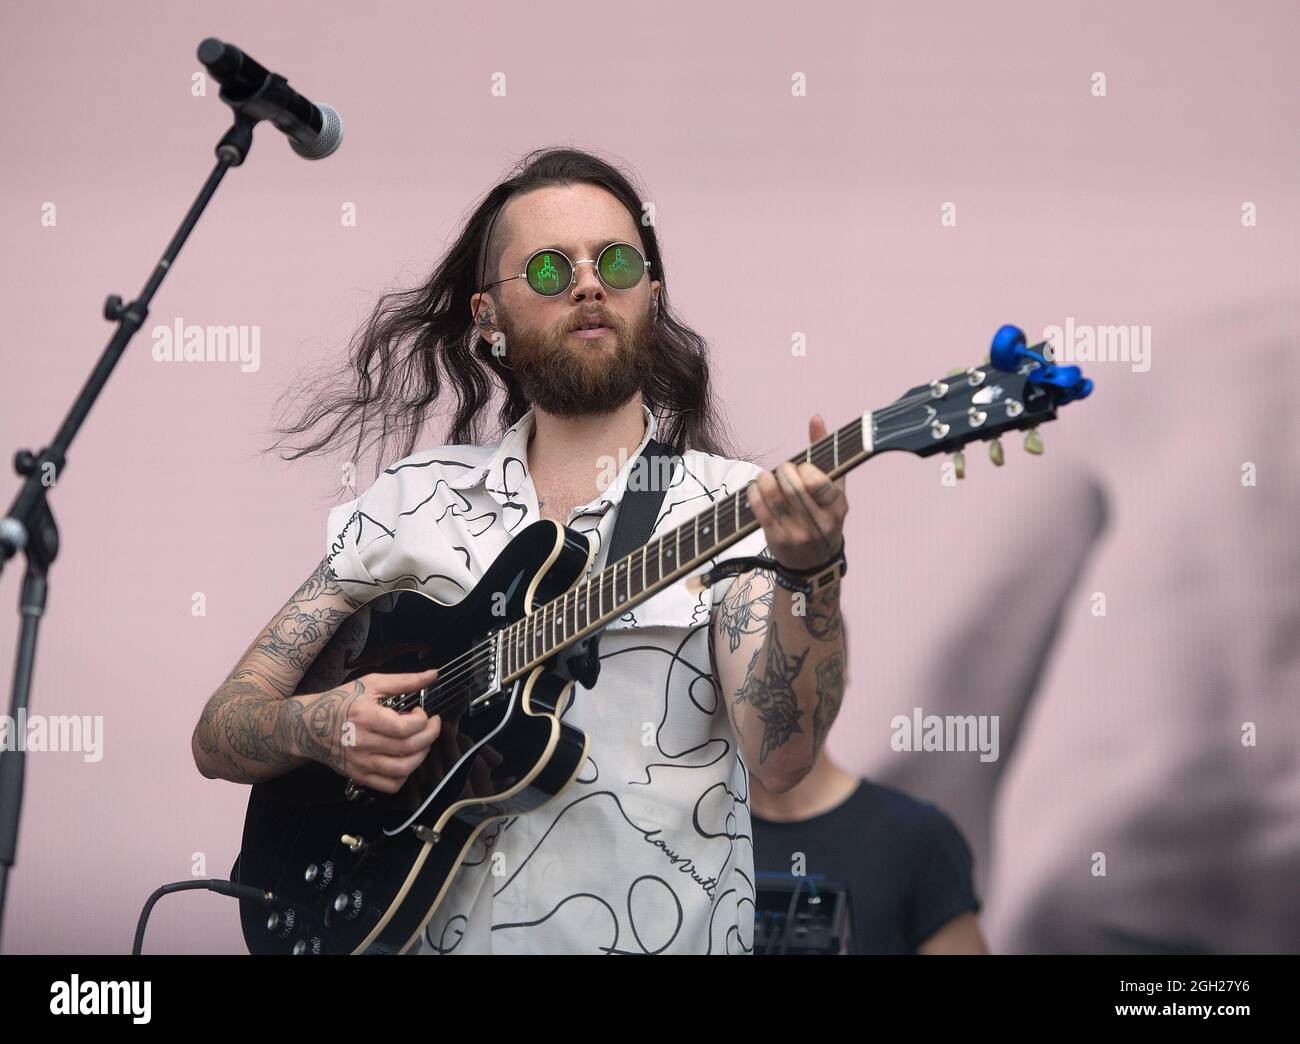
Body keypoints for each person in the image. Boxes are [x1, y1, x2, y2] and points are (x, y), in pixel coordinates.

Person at [191, 147, 852, 954]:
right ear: (487, 318)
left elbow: (781, 758)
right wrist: (319, 726)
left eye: (616, 261)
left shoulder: (729, 505)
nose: (587, 283)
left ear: (652, 293)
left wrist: (812, 576)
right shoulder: (413, 498)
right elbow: (224, 727)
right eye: (547, 269)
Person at [751, 621, 987, 954]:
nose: (785, 686)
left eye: (804, 662)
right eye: (756, 664)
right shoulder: (676, 836)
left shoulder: (917, 839)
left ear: (841, 672)